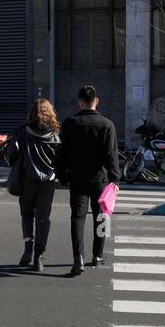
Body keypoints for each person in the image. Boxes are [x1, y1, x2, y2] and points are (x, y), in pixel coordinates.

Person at [54, 85, 120, 276]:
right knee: (102, 217)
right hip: (100, 180)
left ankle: (78, 258)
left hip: (77, 179)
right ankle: (97, 255)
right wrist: (115, 180)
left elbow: (61, 154)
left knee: (77, 218)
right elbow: (111, 155)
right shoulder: (107, 125)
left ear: (80, 102)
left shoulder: (69, 124)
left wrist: (62, 175)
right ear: (96, 101)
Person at [3, 98, 62, 272]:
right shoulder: (56, 135)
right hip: (48, 184)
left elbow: (10, 155)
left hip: (27, 181)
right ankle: (39, 256)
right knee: (43, 219)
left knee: (27, 215)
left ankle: (27, 250)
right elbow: (61, 159)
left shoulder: (22, 132)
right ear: (50, 113)